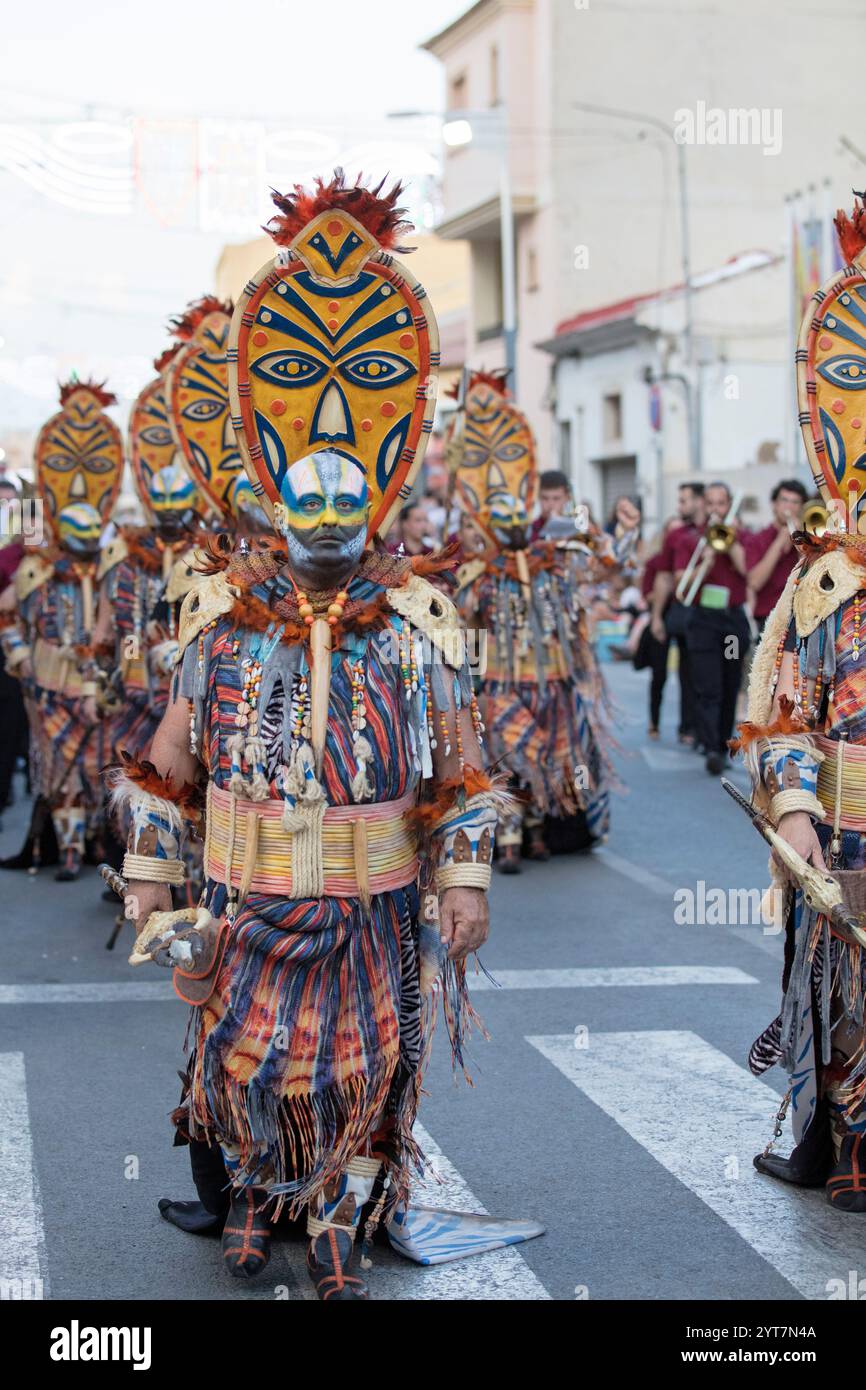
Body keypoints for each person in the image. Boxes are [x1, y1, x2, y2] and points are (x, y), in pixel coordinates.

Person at [109, 174, 517, 1299]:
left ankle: (336, 1217)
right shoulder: (219, 620)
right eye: (309, 509)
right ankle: (247, 1198)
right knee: (246, 1064)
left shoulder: (422, 620)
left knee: (359, 1073)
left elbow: (468, 773)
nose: (327, 524)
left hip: (371, 904)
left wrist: (465, 878)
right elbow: (165, 765)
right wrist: (147, 878)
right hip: (244, 901)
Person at [736, 198, 866, 1211]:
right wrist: (793, 819)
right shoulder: (821, 586)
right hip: (849, 839)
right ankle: (843, 1147)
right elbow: (779, 717)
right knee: (839, 998)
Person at [453, 370, 611, 870]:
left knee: (552, 758)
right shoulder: (481, 572)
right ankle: (510, 840)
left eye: (519, 517)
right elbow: (467, 620)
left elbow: (602, 570)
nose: (515, 525)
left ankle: (546, 831)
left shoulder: (554, 556)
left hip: (552, 682)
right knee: (509, 757)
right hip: (502, 681)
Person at [0, 381, 124, 878]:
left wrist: (126, 665)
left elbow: (127, 622)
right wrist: (20, 659)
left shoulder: (114, 568)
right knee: (59, 773)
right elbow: (8, 614)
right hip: (50, 683)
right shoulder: (36, 568)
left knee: (96, 773)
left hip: (98, 686)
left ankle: (92, 847)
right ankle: (68, 854)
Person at [649, 481, 706, 747]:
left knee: (706, 675)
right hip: (686, 611)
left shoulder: (716, 531)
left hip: (714, 614)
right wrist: (657, 616)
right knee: (687, 671)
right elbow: (664, 578)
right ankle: (688, 726)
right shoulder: (676, 536)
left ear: (698, 501)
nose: (679, 506)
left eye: (684, 500)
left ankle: (709, 731)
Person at [746, 479, 808, 634]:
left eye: (795, 502)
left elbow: (810, 572)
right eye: (784, 500)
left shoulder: (808, 538)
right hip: (768, 617)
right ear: (774, 504)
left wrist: (800, 542)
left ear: (801, 508)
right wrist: (779, 542)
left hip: (801, 615)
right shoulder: (758, 539)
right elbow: (754, 582)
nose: (789, 507)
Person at [529, 468, 572, 540]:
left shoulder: (575, 529)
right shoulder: (529, 531)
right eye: (545, 498)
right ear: (538, 497)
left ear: (567, 498)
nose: (550, 504)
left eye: (556, 498)